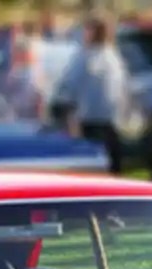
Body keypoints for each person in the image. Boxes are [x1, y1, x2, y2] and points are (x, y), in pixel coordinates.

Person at [55, 14, 130, 174]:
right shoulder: (114, 58)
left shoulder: (85, 57)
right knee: (112, 167)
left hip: (90, 122)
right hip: (112, 121)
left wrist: (60, 107)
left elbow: (69, 86)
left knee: (90, 166)